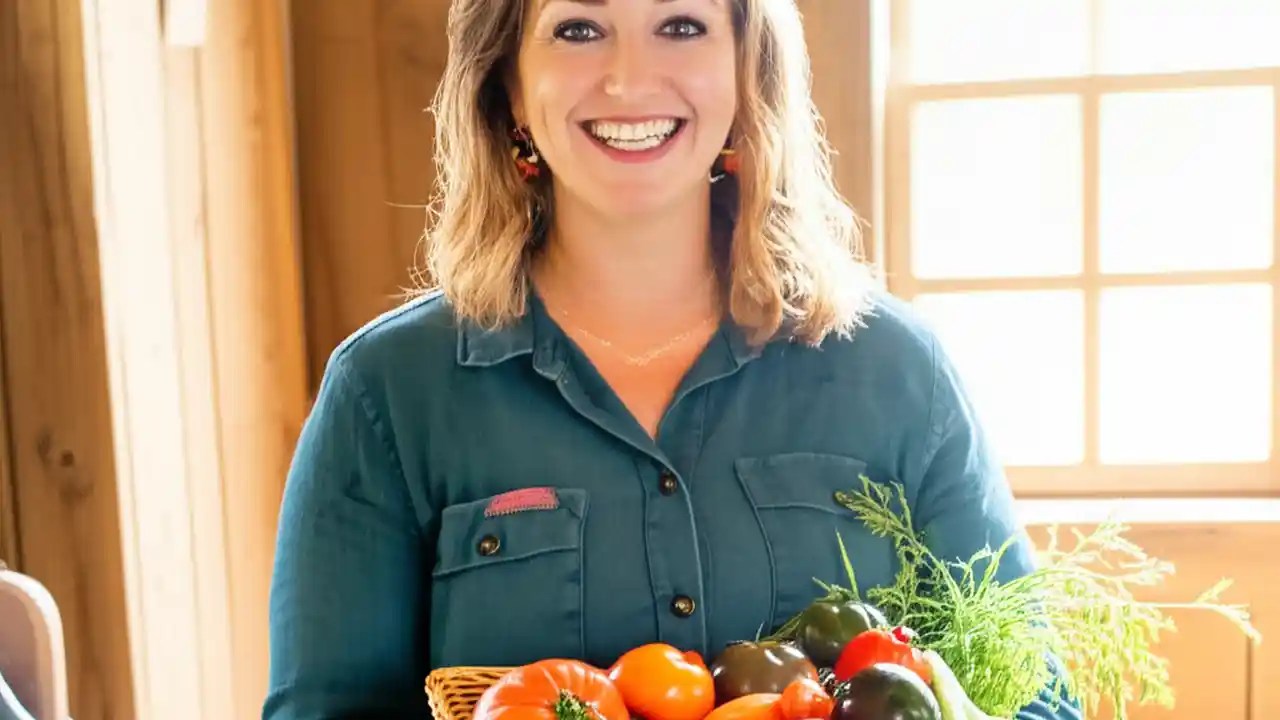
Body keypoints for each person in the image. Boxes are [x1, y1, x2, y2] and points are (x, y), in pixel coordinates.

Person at [263, 1, 1082, 718]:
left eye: (681, 26)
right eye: (579, 29)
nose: (628, 78)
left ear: (745, 74)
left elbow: (1036, 701)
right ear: (508, 85)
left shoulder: (897, 371)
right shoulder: (389, 391)